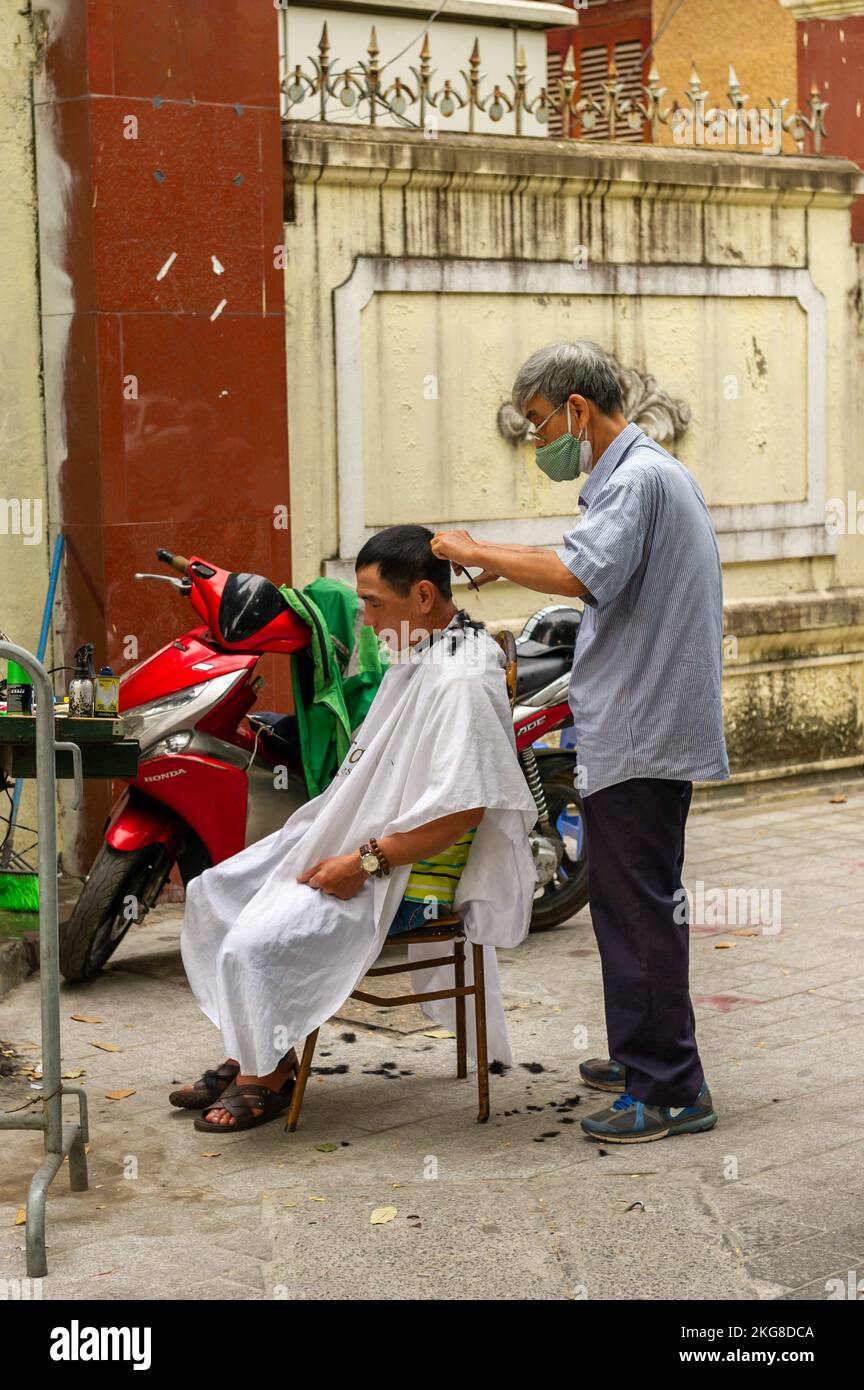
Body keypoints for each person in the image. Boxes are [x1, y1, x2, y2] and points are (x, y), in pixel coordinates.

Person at [431, 340, 730, 1144]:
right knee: (634, 908)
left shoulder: (636, 480)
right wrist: (505, 560)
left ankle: (668, 1088)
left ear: (577, 410)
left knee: (637, 914)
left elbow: (576, 573)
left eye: (538, 423)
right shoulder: (641, 477)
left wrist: (473, 549)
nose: (536, 441)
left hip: (643, 729)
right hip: (641, 723)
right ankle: (646, 1057)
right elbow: (578, 564)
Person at [170, 525, 538, 1131]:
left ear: (423, 596)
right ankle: (253, 1049)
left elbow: (462, 810)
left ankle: (269, 1075)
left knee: (254, 940)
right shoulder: (422, 651)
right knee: (216, 894)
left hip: (406, 877)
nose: (364, 620)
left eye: (373, 603)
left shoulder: (463, 678)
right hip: (371, 848)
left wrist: (362, 862)